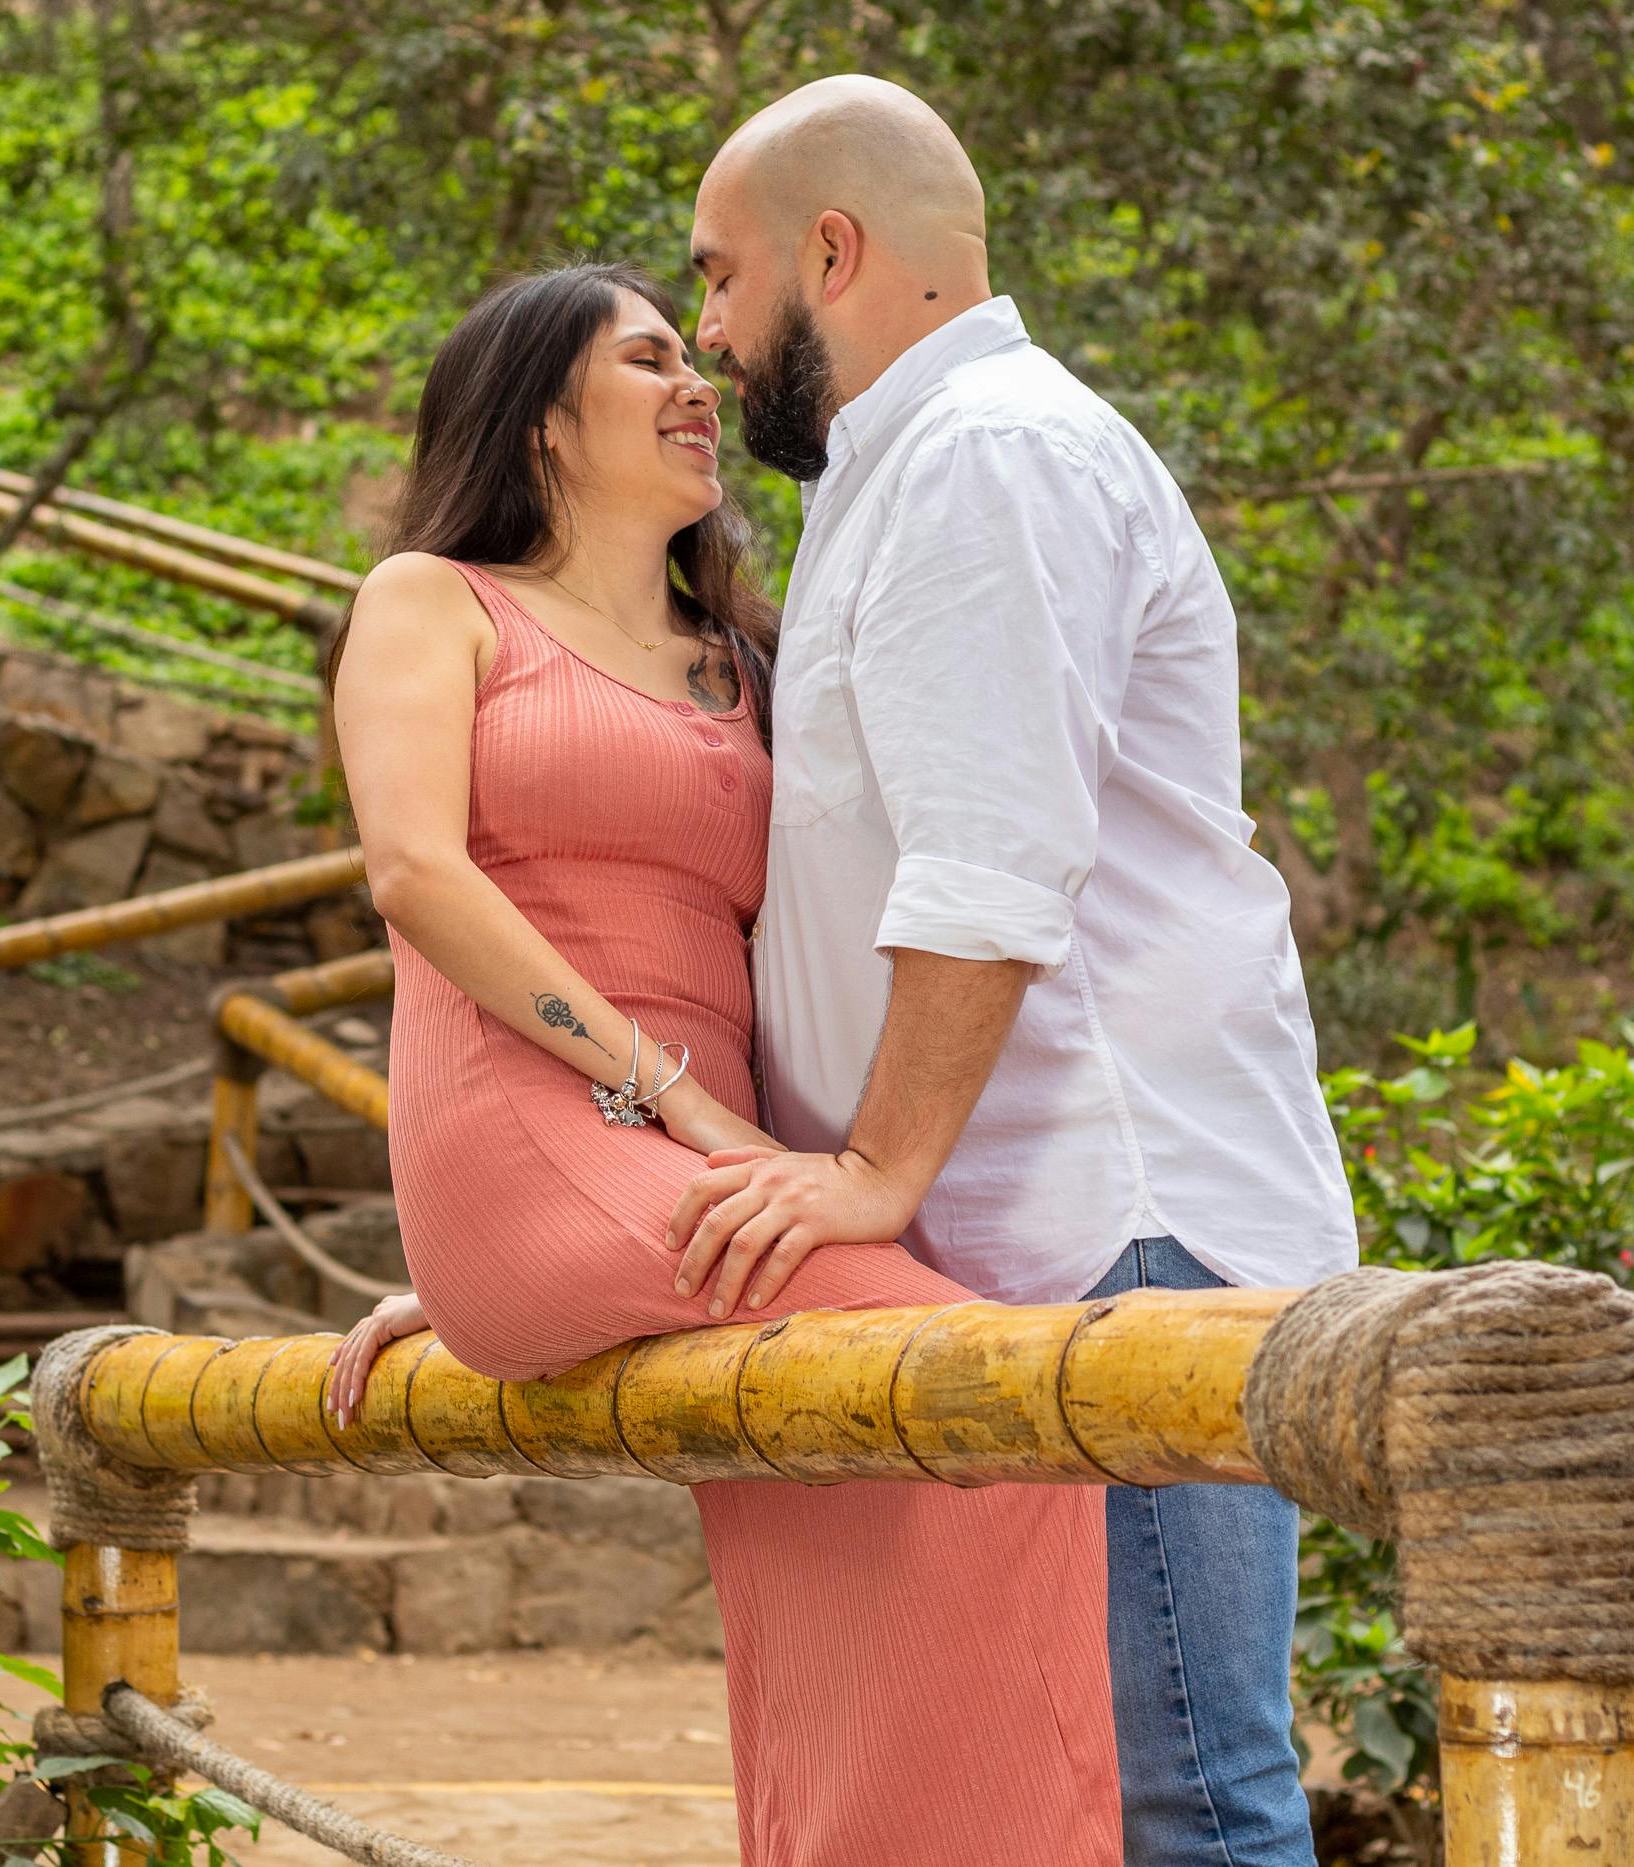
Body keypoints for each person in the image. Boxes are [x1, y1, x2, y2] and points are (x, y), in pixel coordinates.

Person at [319, 261, 1121, 1867]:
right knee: (992, 1402)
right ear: (536, 416)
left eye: (696, 355)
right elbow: (416, 876)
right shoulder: (433, 600)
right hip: (558, 1141)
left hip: (684, 1175)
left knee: (835, 1514)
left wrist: (662, 1193)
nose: (701, 385)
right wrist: (606, 1154)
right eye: (648, 359)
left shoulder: (740, 659)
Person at [665, 76, 1364, 1867]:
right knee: (1080, 1799)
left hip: (1108, 1227)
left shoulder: (989, 455)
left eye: (723, 281)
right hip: (1022, 1246)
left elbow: (992, 857)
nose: (713, 340)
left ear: (838, 251)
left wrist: (876, 1169)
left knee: (1181, 1797)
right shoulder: (909, 477)